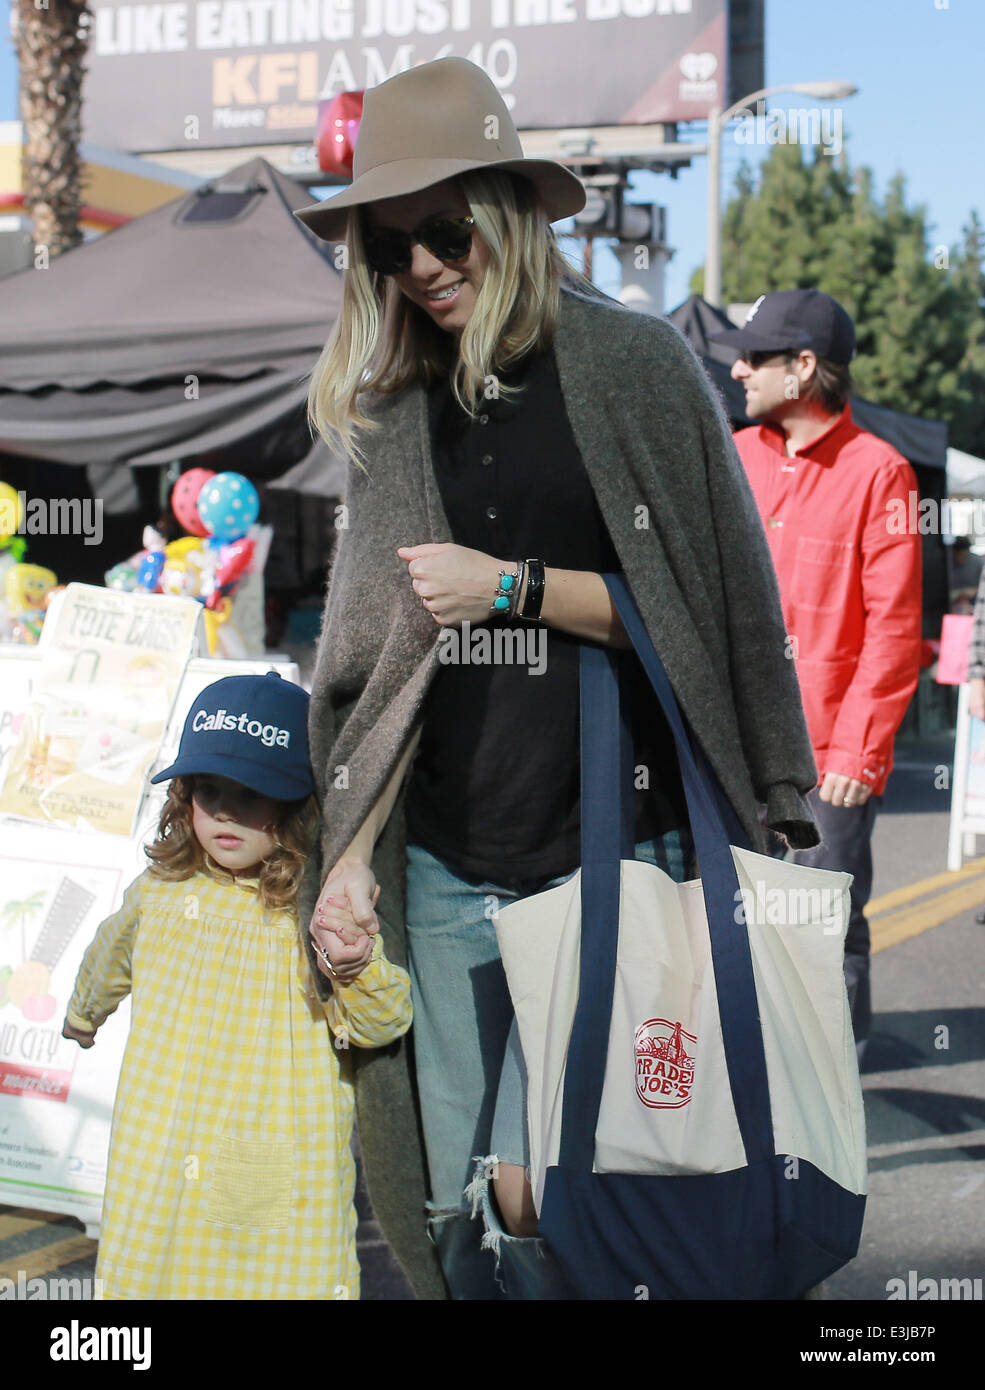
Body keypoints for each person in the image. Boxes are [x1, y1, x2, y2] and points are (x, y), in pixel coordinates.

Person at [294, 57, 821, 1301]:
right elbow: (378, 674)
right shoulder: (392, 414)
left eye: (442, 230)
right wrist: (354, 851)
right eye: (386, 249)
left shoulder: (635, 368)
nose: (420, 267)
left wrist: (513, 588)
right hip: (440, 866)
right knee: (441, 1200)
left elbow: (709, 618)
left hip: (609, 855)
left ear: (510, 213)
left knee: (542, 1188)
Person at [62, 672, 411, 1300]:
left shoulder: (317, 908)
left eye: (252, 793)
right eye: (209, 789)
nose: (225, 809)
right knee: (150, 1277)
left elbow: (382, 1023)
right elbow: (111, 949)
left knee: (270, 1275)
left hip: (273, 1145)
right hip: (157, 1146)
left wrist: (354, 966)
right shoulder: (159, 891)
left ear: (300, 801)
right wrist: (85, 1012)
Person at [710, 289, 923, 1062]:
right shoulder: (735, 455)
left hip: (825, 757)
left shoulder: (880, 473)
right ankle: (755, 1080)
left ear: (803, 367)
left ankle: (831, 1083)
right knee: (733, 918)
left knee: (821, 920)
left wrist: (857, 756)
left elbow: (894, 630)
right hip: (731, 748)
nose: (737, 371)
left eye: (755, 357)